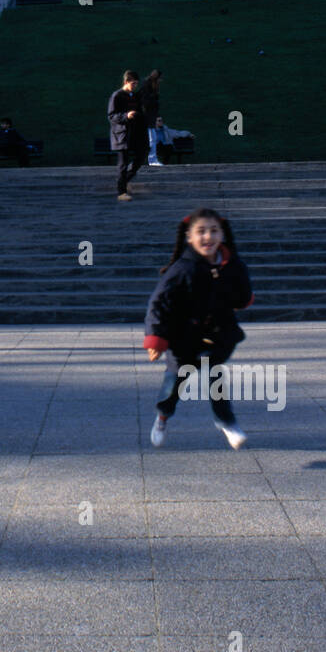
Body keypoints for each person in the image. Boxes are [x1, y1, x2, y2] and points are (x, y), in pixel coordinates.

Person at [144, 207, 254, 450]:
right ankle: (162, 417)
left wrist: (240, 293)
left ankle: (227, 422)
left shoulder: (232, 265)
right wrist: (156, 338)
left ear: (222, 235)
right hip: (182, 338)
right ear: (189, 237)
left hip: (215, 337)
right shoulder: (182, 269)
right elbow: (158, 303)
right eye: (201, 231)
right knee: (174, 385)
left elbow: (242, 295)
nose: (208, 237)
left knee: (213, 375)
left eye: (214, 231)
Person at [107, 69, 147, 201]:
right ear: (126, 82)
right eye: (133, 83)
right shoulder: (117, 95)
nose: (135, 86)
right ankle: (121, 192)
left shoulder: (134, 96)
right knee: (122, 164)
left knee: (141, 156)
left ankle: (123, 180)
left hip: (134, 133)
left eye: (136, 84)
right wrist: (126, 116)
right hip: (121, 135)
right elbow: (111, 116)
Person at [139, 70, 166, 167]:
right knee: (151, 139)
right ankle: (151, 160)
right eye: (160, 79)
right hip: (147, 117)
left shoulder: (148, 86)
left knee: (152, 138)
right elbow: (146, 102)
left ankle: (152, 159)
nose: (160, 81)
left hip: (150, 116)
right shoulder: (148, 87)